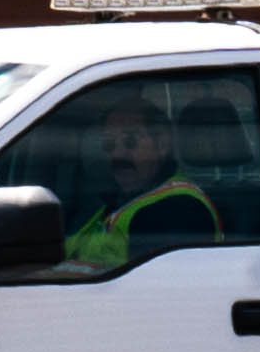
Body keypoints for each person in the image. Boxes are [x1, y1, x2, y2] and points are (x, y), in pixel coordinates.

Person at [56, 83, 233, 275]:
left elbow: (148, 292)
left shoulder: (176, 210)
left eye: (130, 141)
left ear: (161, 145)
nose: (117, 155)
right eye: (109, 144)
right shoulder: (112, 203)